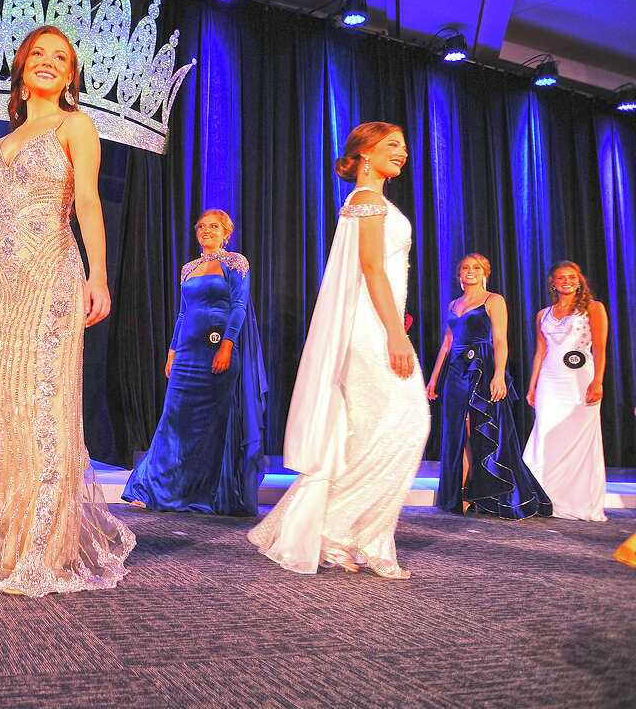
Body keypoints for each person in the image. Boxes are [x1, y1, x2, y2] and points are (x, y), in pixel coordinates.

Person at [0, 25, 135, 596]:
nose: (50, 62)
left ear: (71, 75)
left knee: (42, 407)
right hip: (2, 287)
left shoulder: (75, 124)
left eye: (62, 57)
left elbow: (87, 204)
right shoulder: (6, 142)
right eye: (40, 53)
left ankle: (44, 545)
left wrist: (98, 277)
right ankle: (13, 524)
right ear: (22, 67)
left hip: (52, 276)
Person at [248, 122, 429, 579]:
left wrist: (393, 323)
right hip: (371, 330)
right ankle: (348, 533)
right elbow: (371, 269)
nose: (402, 153)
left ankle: (339, 532)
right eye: (392, 145)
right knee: (406, 422)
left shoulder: (370, 201)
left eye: (404, 147)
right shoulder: (366, 200)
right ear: (365, 153)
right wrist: (395, 332)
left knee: (370, 430)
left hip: (374, 323)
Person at [122, 209, 267, 515]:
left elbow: (239, 306)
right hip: (187, 352)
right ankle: (152, 489)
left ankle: (209, 493)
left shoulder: (235, 262)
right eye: (202, 227)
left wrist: (227, 345)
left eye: (214, 227)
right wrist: (172, 351)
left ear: (226, 232)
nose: (206, 231)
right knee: (173, 420)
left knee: (213, 424)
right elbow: (183, 313)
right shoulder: (189, 269)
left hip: (218, 350)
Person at [426, 254, 551, 518]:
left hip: (482, 367)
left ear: (485, 273)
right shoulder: (454, 304)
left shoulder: (494, 300)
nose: (470, 272)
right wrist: (434, 378)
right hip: (455, 372)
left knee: (478, 431)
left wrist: (499, 375)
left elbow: (500, 340)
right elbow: (447, 344)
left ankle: (479, 492)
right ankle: (460, 494)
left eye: (476, 268)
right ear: (460, 275)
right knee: (457, 433)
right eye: (465, 268)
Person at [521, 261, 609, 522]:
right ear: (553, 283)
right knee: (545, 433)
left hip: (580, 379)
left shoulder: (593, 308)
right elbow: (541, 351)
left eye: (571, 277)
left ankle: (578, 501)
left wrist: (598, 382)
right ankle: (544, 496)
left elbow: (600, 348)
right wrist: (532, 384)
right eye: (560, 278)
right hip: (550, 379)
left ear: (579, 280)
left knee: (579, 436)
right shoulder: (543, 314)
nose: (566, 281)